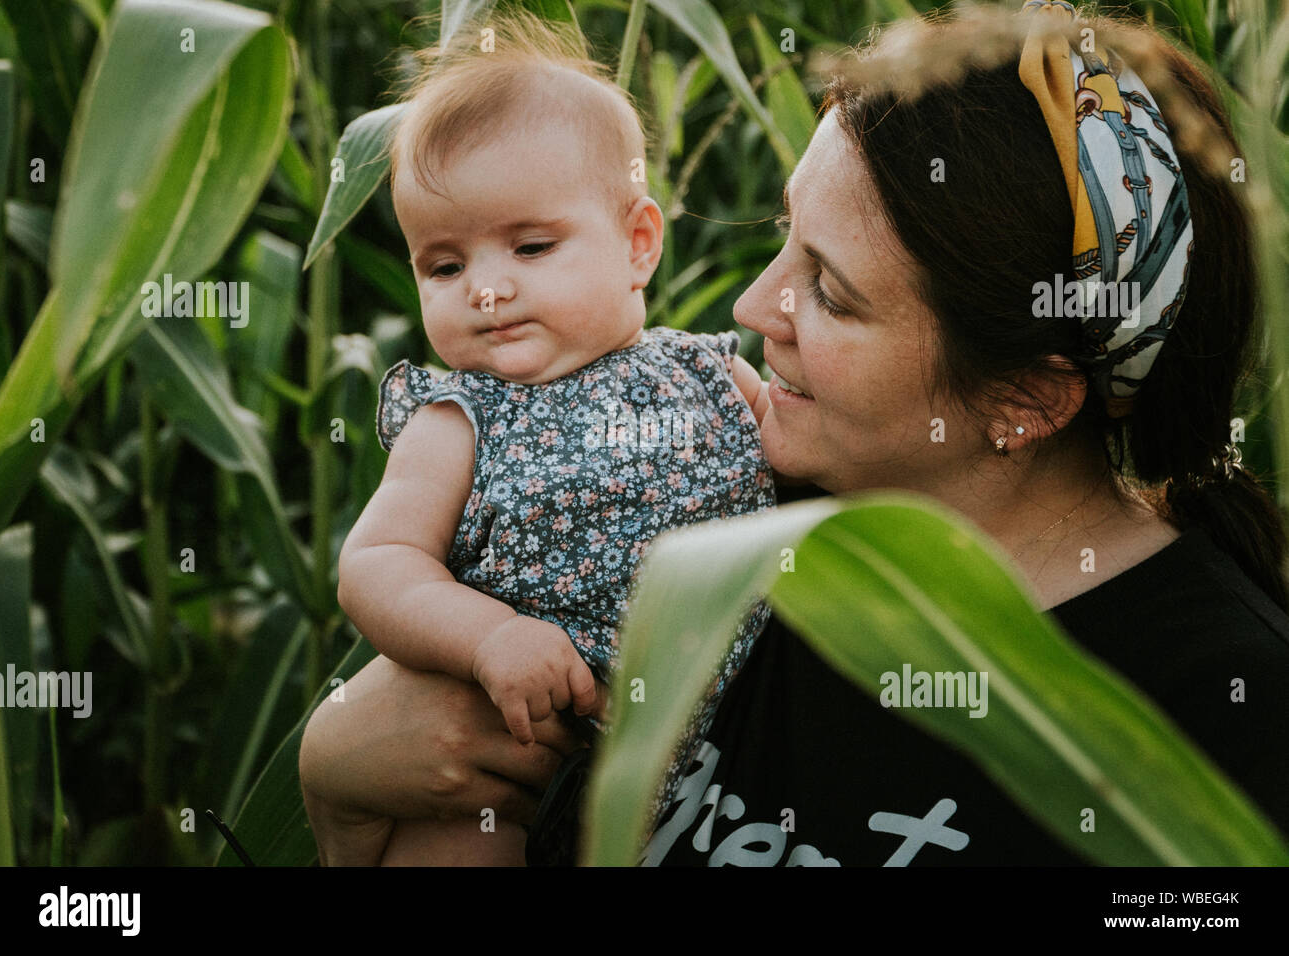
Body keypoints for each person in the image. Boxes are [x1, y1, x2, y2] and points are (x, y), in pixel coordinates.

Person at [300, 2, 1289, 865]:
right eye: (783, 239)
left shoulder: (1226, 719)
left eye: (831, 292)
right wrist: (338, 787)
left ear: (1025, 396)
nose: (751, 303)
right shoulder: (725, 525)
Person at [334, 10, 775, 865]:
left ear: (639, 243)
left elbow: (815, 486)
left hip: (718, 765)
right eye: (445, 266)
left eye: (531, 246)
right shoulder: (456, 417)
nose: (487, 291)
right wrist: (489, 637)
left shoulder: (711, 374)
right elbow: (377, 565)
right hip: (516, 758)